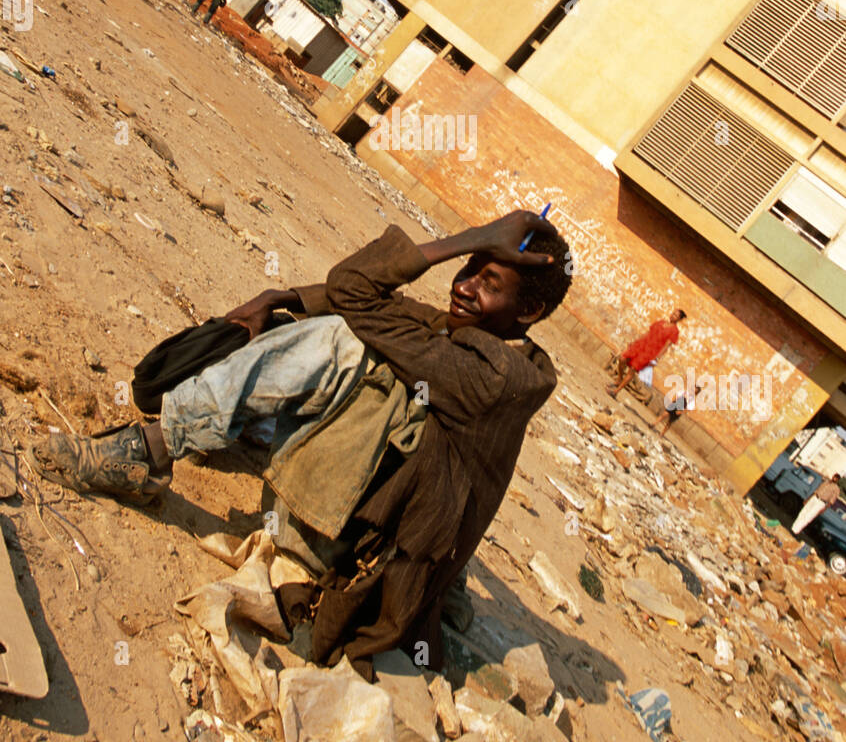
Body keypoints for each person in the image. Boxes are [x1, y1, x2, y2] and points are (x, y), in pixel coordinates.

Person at [30, 210, 572, 675]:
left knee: (343, 342)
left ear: (528, 314)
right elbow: (380, 305)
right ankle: (202, 424)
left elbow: (355, 293)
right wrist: (281, 297)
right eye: (469, 268)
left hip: (339, 557)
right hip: (331, 511)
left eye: (489, 281)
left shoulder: (499, 379)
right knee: (311, 326)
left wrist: (470, 236)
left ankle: (151, 451)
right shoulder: (478, 337)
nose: (464, 285)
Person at [607, 309, 686, 400]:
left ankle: (616, 391)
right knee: (622, 359)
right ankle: (619, 379)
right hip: (641, 345)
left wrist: (656, 358)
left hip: (650, 353)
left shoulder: (674, 331)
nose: (673, 316)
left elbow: (666, 346)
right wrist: (635, 341)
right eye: (673, 313)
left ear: (679, 319)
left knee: (632, 369)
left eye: (676, 315)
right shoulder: (661, 322)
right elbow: (648, 333)